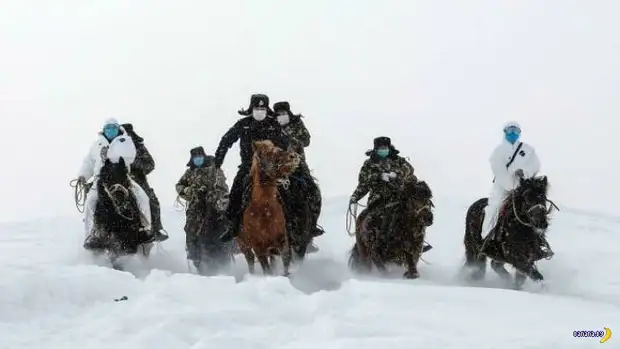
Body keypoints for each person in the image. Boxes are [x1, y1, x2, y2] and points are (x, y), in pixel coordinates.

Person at [214, 94, 291, 242]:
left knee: (288, 193)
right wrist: (218, 161)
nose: (260, 111)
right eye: (257, 108)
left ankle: (291, 225)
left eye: (263, 108)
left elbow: (284, 144)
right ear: (252, 109)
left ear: (267, 109)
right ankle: (234, 227)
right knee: (236, 192)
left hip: (271, 169)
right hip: (247, 167)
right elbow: (226, 140)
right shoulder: (243, 124)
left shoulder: (273, 124)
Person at [76, 118, 154, 249]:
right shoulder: (97, 144)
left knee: (143, 198)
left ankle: (145, 228)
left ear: (118, 129)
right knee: (90, 202)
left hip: (122, 178)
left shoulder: (125, 140)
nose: (110, 131)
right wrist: (83, 176)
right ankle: (91, 235)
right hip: (100, 180)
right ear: (104, 130)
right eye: (108, 128)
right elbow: (89, 162)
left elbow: (130, 155)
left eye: (113, 128)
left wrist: (109, 154)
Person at [349, 136, 432, 252]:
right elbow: (364, 182)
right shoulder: (369, 164)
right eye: (381, 147)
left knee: (415, 213)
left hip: (400, 197)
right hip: (379, 199)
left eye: (385, 147)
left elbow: (409, 169)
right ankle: (379, 242)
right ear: (376, 148)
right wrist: (356, 195)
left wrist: (396, 174)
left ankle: (417, 242)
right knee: (379, 217)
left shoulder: (398, 160)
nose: (383, 149)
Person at [273, 101, 323, 252]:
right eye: (278, 114)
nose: (281, 116)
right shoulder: (271, 126)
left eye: (284, 113)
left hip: (298, 167)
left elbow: (306, 140)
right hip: (276, 168)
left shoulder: (296, 124)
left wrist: (290, 135)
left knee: (314, 193)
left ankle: (311, 227)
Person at [481, 121, 541, 240]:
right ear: (505, 132)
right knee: (494, 207)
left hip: (523, 187)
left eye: (516, 130)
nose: (513, 133)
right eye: (510, 130)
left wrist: (525, 172)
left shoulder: (528, 150)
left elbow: (535, 165)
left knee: (537, 208)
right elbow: (498, 170)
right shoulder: (498, 151)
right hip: (503, 188)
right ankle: (488, 237)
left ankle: (539, 240)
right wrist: (511, 186)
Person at [176, 146, 230, 260]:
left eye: (200, 157)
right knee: (190, 226)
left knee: (225, 221)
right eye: (195, 157)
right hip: (196, 204)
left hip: (215, 203)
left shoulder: (215, 169)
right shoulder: (190, 172)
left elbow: (223, 187)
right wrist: (188, 191)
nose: (198, 159)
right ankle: (193, 252)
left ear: (204, 156)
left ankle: (230, 246)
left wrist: (211, 194)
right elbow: (179, 185)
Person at [121, 123, 168, 242]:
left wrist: (136, 164)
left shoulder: (139, 147)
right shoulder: (114, 147)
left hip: (138, 181)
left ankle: (156, 229)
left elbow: (150, 164)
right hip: (118, 179)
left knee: (152, 201)